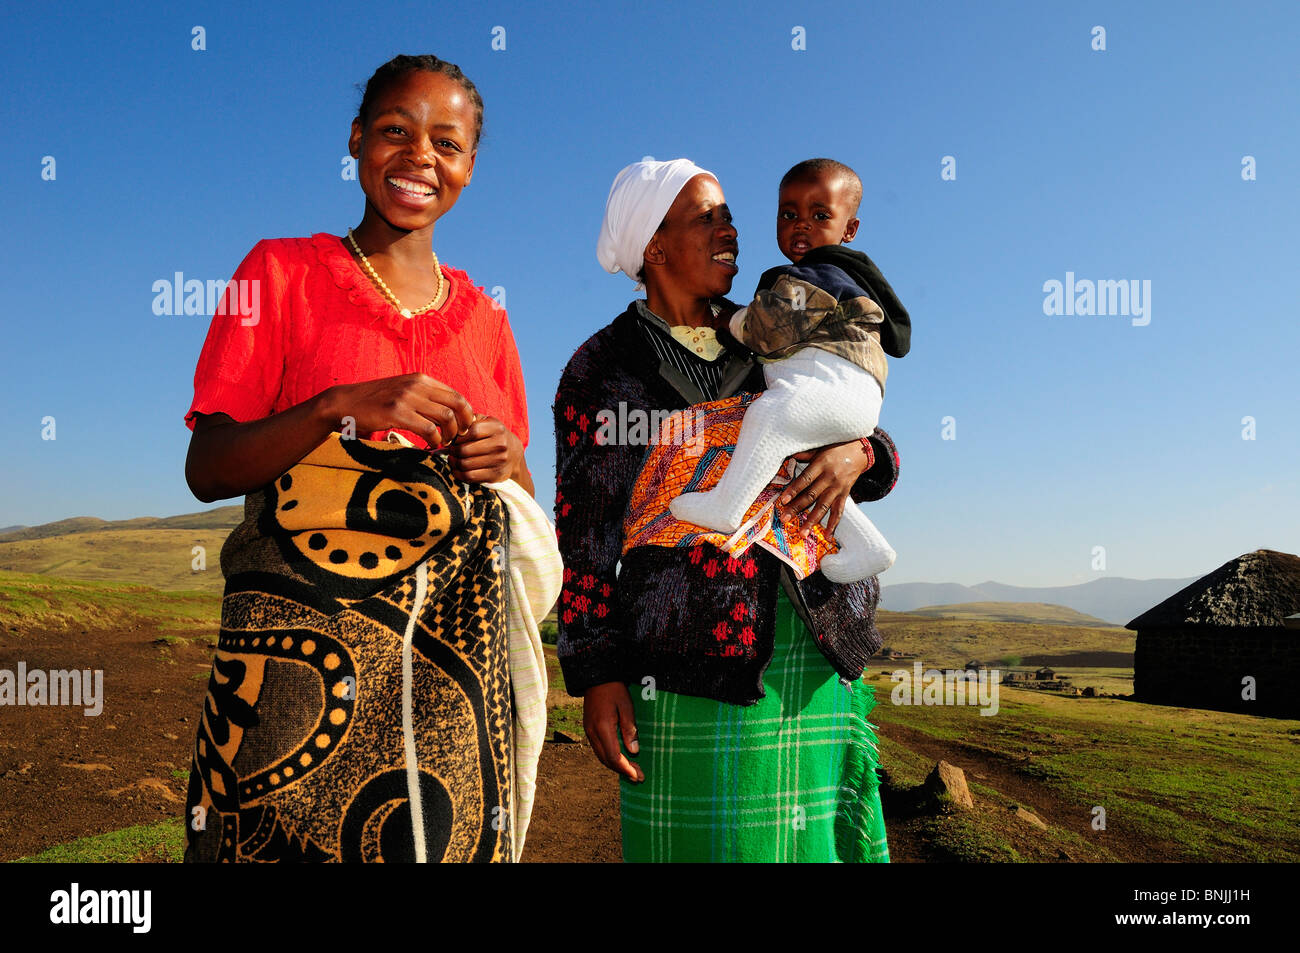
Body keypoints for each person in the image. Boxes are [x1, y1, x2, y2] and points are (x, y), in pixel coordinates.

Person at [181, 54, 543, 863]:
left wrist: (508, 457)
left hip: (449, 701)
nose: (420, 157)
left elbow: (518, 506)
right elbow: (208, 466)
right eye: (394, 131)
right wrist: (334, 406)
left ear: (471, 168)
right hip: (292, 686)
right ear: (355, 140)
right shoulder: (280, 272)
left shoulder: (488, 320)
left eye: (446, 143)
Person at [554, 158, 899, 862]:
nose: (731, 228)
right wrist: (595, 669)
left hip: (811, 641)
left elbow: (855, 396)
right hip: (687, 655)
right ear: (653, 244)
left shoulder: (779, 322)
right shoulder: (604, 368)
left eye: (728, 213)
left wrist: (862, 454)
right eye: (706, 216)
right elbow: (585, 532)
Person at [670, 157, 911, 583]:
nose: (801, 225)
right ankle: (868, 545)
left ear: (848, 230)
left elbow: (768, 331)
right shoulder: (827, 276)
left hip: (830, 385)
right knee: (803, 467)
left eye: (820, 215)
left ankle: (726, 506)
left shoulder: (822, 274)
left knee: (770, 415)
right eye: (788, 214)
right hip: (841, 395)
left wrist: (727, 321)